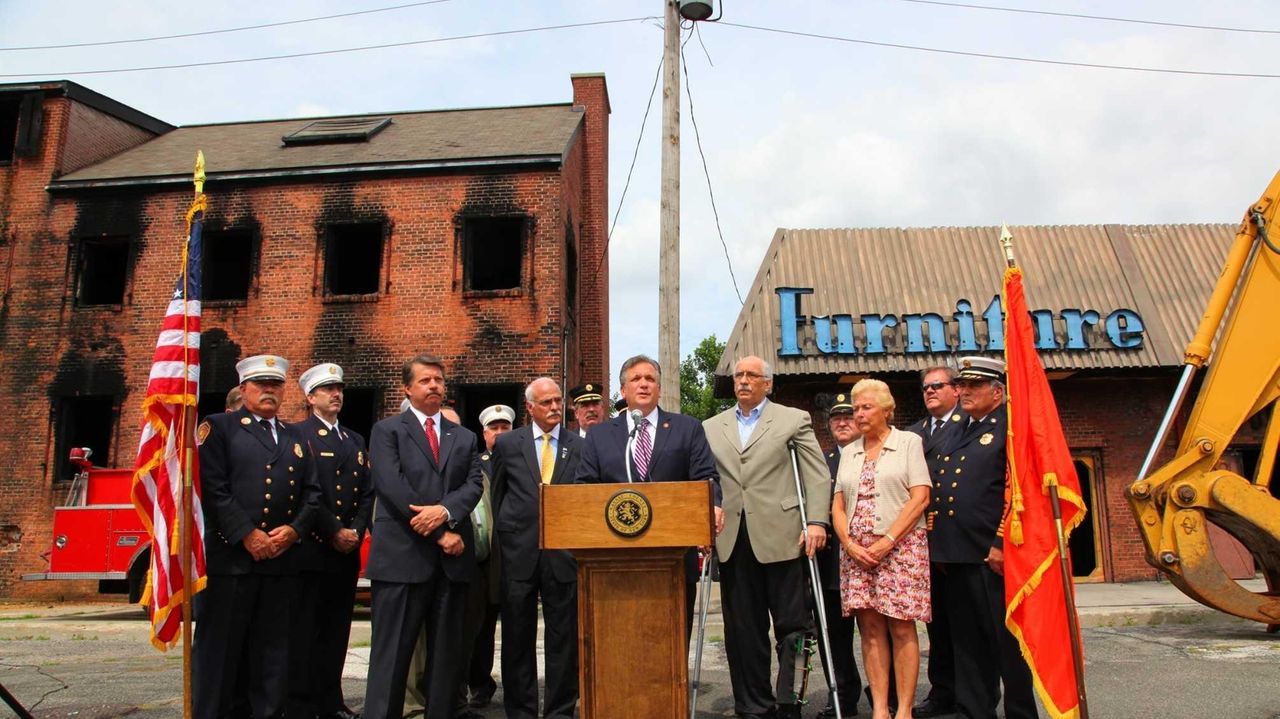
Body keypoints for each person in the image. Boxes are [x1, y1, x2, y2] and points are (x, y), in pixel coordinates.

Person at [194, 355, 320, 719]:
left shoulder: (297, 436)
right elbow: (214, 488)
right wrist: (247, 534)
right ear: (244, 388)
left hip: (281, 563)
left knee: (272, 654)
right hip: (232, 561)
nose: (269, 390)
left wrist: (294, 531)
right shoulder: (219, 427)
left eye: (276, 384)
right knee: (221, 653)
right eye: (261, 384)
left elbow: (313, 493)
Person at [704, 355, 829, 719]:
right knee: (744, 630)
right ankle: (753, 704)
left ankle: (790, 701)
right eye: (739, 375)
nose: (743, 381)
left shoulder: (793, 419)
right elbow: (704, 478)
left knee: (794, 627)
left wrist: (817, 521)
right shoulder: (712, 426)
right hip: (733, 538)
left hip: (784, 535)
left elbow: (817, 475)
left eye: (751, 375)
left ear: (768, 383)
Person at [362, 355, 483, 719]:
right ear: (407, 388)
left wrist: (445, 514)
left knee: (447, 659)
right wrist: (440, 532)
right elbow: (391, 486)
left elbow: (474, 483)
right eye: (426, 380)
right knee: (391, 658)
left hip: (450, 565)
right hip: (403, 561)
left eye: (439, 380)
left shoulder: (463, 437)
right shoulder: (387, 431)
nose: (435, 386)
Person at [575, 354, 722, 641]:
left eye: (650, 379)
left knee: (672, 636)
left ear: (659, 389)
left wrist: (712, 508)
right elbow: (584, 489)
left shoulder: (687, 428)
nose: (643, 384)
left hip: (674, 555)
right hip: (615, 558)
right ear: (623, 391)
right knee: (622, 638)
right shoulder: (600, 436)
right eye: (636, 379)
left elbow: (706, 478)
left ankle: (674, 688)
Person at [930, 356, 1037, 719]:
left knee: (1006, 643)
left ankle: (1021, 712)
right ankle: (975, 710)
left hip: (992, 554)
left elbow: (1021, 490)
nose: (964, 392)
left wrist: (1002, 543)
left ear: (998, 391)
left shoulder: (1010, 428)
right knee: (967, 642)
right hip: (957, 554)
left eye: (974, 386)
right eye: (962, 385)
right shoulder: (957, 428)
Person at [831, 379, 931, 719]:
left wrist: (888, 540)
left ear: (887, 410)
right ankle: (878, 709)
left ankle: (903, 709)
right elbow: (838, 506)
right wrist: (848, 544)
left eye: (866, 407)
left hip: (900, 549)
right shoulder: (849, 451)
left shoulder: (908, 443)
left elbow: (920, 498)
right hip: (857, 553)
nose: (859, 414)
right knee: (870, 629)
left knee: (901, 626)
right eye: (856, 408)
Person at [490, 378, 582, 719]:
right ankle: (521, 710)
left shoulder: (579, 445)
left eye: (558, 401)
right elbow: (498, 496)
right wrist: (504, 545)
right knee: (516, 637)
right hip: (519, 553)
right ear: (530, 408)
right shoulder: (508, 445)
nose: (556, 407)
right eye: (547, 402)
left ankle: (559, 710)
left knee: (564, 638)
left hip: (563, 554)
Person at [287, 363, 371, 719]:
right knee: (306, 629)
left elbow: (367, 491)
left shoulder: (354, 440)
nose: (336, 394)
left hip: (345, 552)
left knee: (338, 631)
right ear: (310, 397)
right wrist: (334, 529)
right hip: (313, 547)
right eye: (327, 389)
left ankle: (331, 700)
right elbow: (310, 492)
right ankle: (303, 702)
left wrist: (356, 528)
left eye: (338, 388)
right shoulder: (298, 435)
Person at [908, 366, 965, 718]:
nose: (930, 392)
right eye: (926, 387)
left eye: (937, 386)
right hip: (925, 545)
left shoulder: (970, 427)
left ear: (956, 390)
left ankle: (972, 696)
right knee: (938, 627)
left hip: (960, 543)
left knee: (967, 628)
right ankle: (942, 693)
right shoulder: (914, 434)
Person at [815, 393, 864, 718]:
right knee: (835, 640)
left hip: (870, 561)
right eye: (836, 419)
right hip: (832, 565)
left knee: (878, 636)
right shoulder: (821, 462)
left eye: (848, 417)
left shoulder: (873, 455)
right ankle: (842, 697)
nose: (842, 423)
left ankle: (884, 696)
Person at [464, 404, 513, 710]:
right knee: (479, 627)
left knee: (517, 625)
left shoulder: (522, 460)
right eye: (493, 428)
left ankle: (517, 685)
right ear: (484, 434)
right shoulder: (475, 463)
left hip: (513, 554)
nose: (499, 433)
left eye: (504, 427)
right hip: (484, 557)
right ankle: (479, 684)